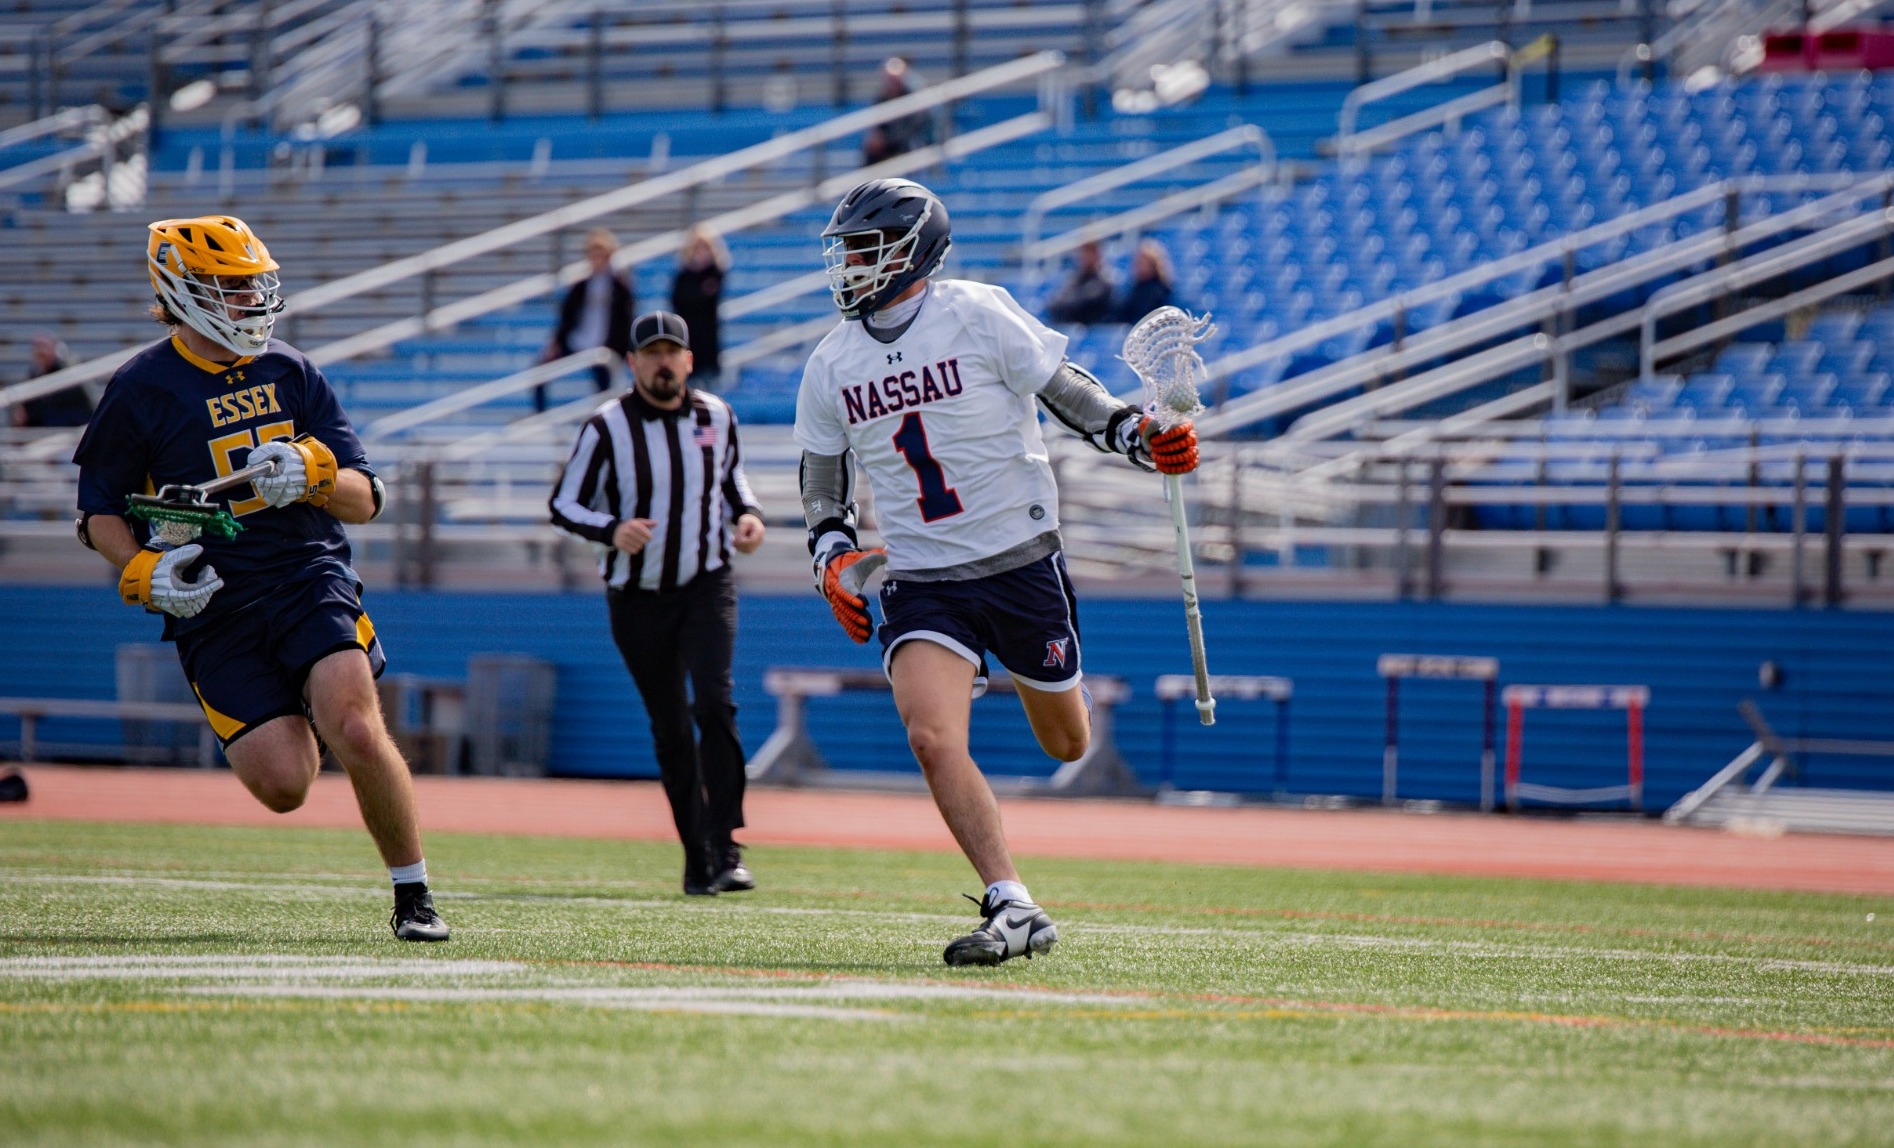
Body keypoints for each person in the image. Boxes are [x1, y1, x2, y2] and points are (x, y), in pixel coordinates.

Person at [794, 179, 1198, 966]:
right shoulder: (830, 362)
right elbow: (822, 475)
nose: (848, 264)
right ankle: (1010, 901)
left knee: (1067, 741)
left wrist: (1131, 434)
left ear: (913, 252)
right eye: (844, 250)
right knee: (930, 733)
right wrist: (830, 552)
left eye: (863, 248)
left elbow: (1061, 388)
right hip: (920, 576)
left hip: (1018, 560)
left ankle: (1053, 696)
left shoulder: (977, 311)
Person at [71, 214, 448, 942]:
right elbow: (96, 516)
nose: (251, 301)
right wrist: (144, 567)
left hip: (306, 574)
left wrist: (315, 475)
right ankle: (297, 701)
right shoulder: (141, 387)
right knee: (283, 786)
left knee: (358, 731)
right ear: (185, 290)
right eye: (233, 288)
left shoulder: (293, 372)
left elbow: (366, 499)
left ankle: (414, 896)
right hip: (212, 601)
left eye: (253, 287)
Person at [549, 310, 767, 896]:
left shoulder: (716, 416)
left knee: (715, 706)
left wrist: (749, 516)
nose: (663, 361)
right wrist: (612, 528)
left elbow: (733, 482)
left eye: (673, 351)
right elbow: (564, 504)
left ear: (689, 361)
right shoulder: (605, 426)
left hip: (706, 580)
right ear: (633, 362)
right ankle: (696, 855)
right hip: (637, 595)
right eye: (652, 352)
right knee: (670, 728)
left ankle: (725, 846)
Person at [541, 227, 636, 412]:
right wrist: (557, 341)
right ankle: (540, 416)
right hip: (580, 339)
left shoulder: (620, 285)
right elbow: (567, 315)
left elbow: (625, 318)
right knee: (541, 370)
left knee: (605, 384)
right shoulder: (581, 285)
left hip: (606, 344)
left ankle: (604, 419)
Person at [670, 225, 729, 380]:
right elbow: (679, 301)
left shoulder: (714, 273)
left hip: (707, 342)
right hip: (689, 339)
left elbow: (705, 298)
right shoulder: (683, 276)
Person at [10, 333, 92, 427]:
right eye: (37, 347)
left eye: (43, 347)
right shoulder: (34, 376)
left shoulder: (69, 374)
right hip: (43, 434)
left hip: (69, 430)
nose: (40, 351)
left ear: (54, 349)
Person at [862, 57, 932, 165]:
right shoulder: (882, 98)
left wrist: (887, 140)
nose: (892, 82)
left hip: (907, 141)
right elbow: (879, 124)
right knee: (871, 148)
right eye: (889, 79)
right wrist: (878, 138)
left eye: (895, 79)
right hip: (888, 143)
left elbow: (913, 126)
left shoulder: (913, 97)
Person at [1045, 240, 1115, 327]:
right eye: (1083, 253)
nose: (1084, 257)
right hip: (1070, 325)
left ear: (1097, 255)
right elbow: (1055, 304)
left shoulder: (1104, 280)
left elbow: (1084, 302)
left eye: (1089, 252)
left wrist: (1069, 302)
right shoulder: (1076, 278)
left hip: (1093, 327)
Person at [1113, 238, 1176, 324]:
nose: (1140, 266)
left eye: (1144, 262)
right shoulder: (1133, 289)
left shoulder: (1162, 290)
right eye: (1138, 262)